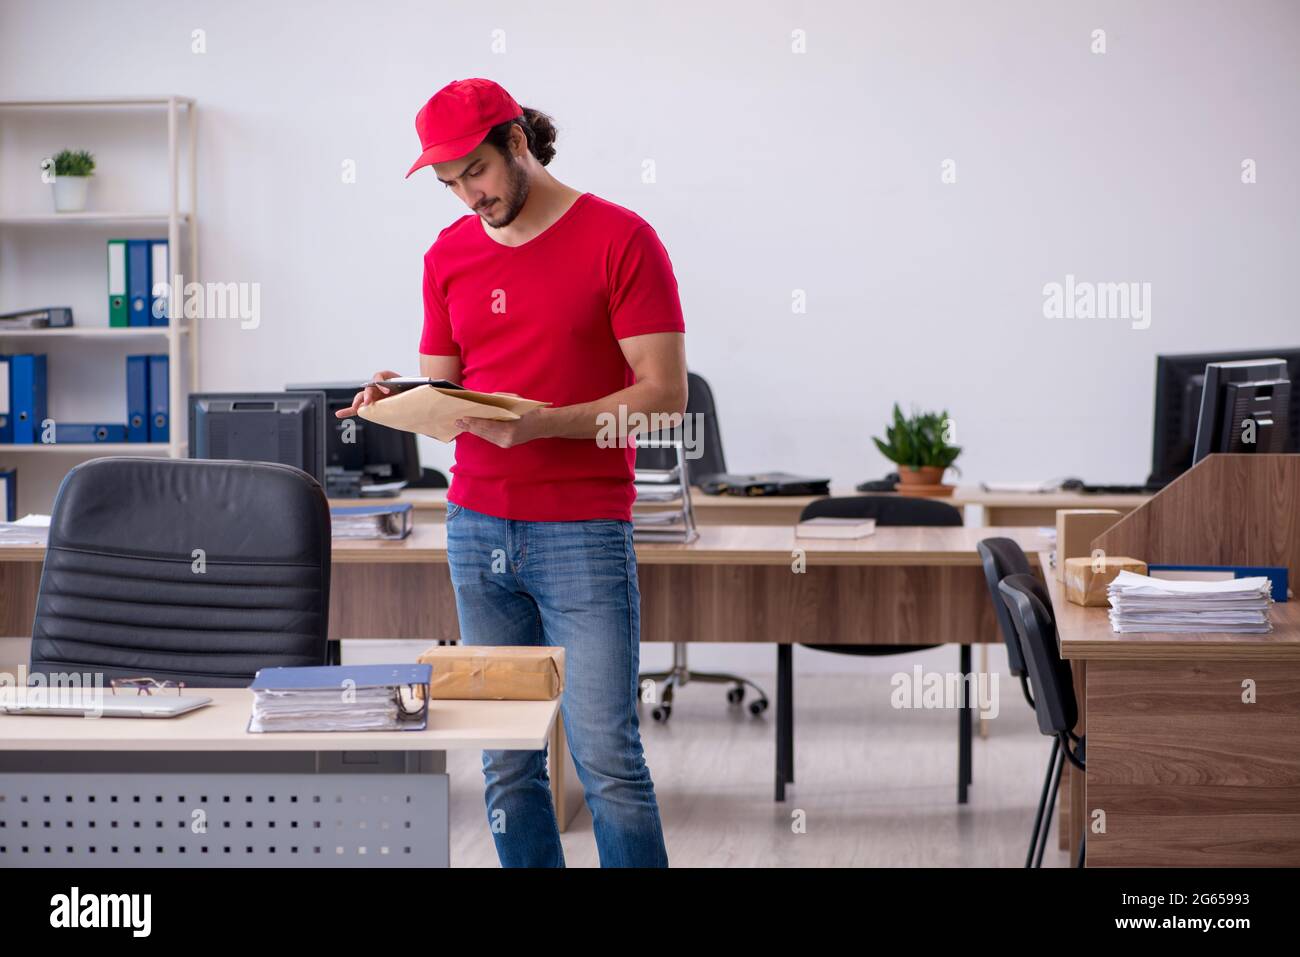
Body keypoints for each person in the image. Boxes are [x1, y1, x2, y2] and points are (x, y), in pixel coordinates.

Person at [340, 78, 687, 867]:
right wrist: (399, 398)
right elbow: (449, 390)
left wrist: (548, 422)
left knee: (607, 759)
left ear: (519, 143)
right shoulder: (448, 255)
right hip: (476, 527)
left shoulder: (620, 238)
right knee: (505, 760)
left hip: (583, 531)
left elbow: (663, 396)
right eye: (449, 182)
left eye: (476, 172)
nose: (468, 195)